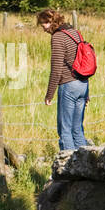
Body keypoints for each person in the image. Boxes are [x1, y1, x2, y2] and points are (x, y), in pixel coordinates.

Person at [38, 9, 88, 150]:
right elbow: (83, 61)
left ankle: (68, 168)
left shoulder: (58, 37)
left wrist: (49, 94)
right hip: (83, 84)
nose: (44, 30)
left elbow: (56, 68)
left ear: (50, 22)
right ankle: (85, 167)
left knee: (65, 130)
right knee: (77, 129)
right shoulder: (75, 33)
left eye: (43, 25)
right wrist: (87, 93)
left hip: (68, 85)